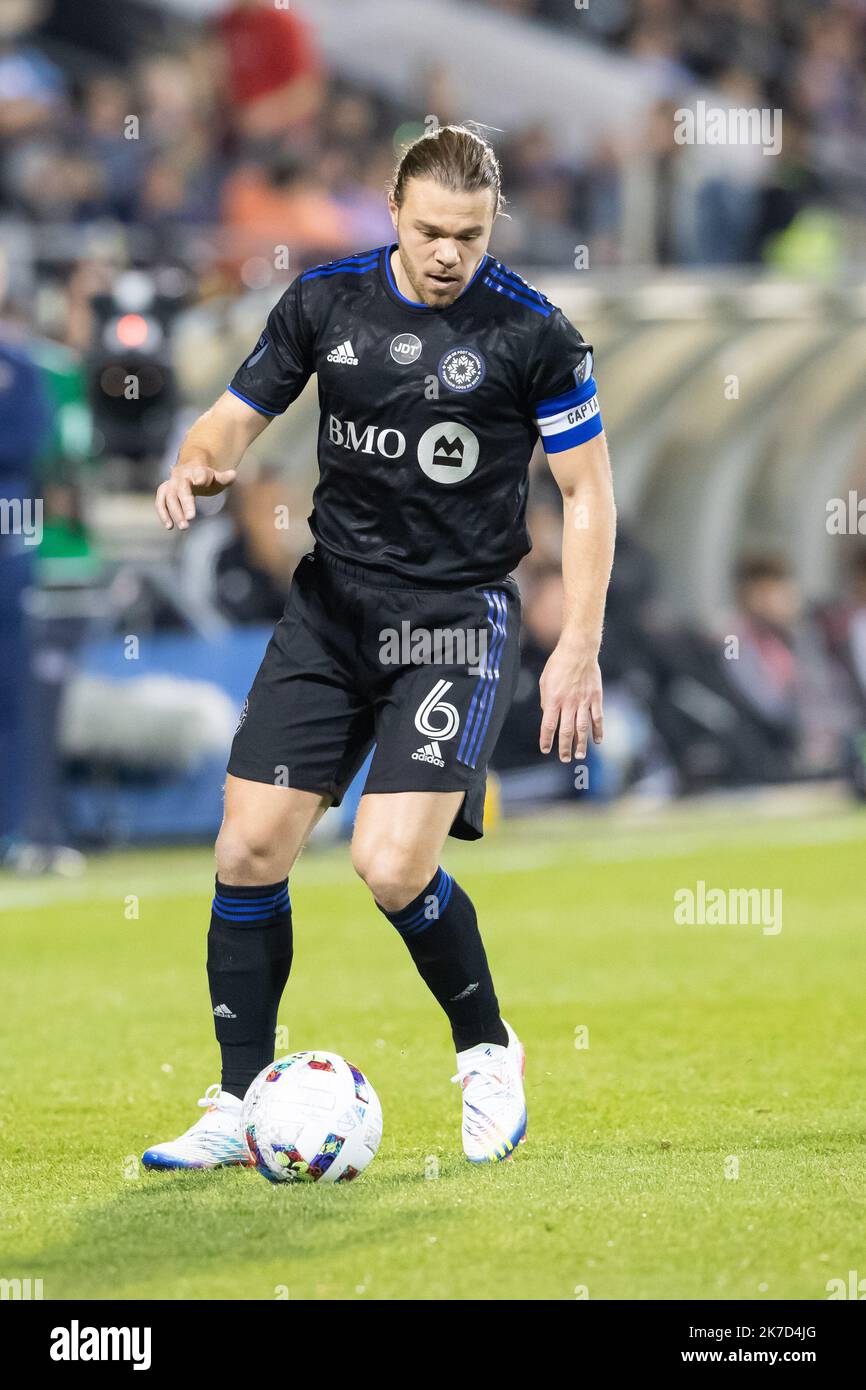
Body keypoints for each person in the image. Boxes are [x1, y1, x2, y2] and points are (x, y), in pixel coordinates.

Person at [145, 125, 616, 1169]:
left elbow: (585, 491)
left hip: (453, 621)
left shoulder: (533, 334)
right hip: (331, 612)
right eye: (432, 231)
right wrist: (198, 464)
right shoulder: (325, 302)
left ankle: (487, 1048)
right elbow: (229, 418)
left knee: (390, 865)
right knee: (246, 850)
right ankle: (234, 1098)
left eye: (471, 234)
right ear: (392, 211)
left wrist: (575, 644)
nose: (450, 253)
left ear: (492, 227)